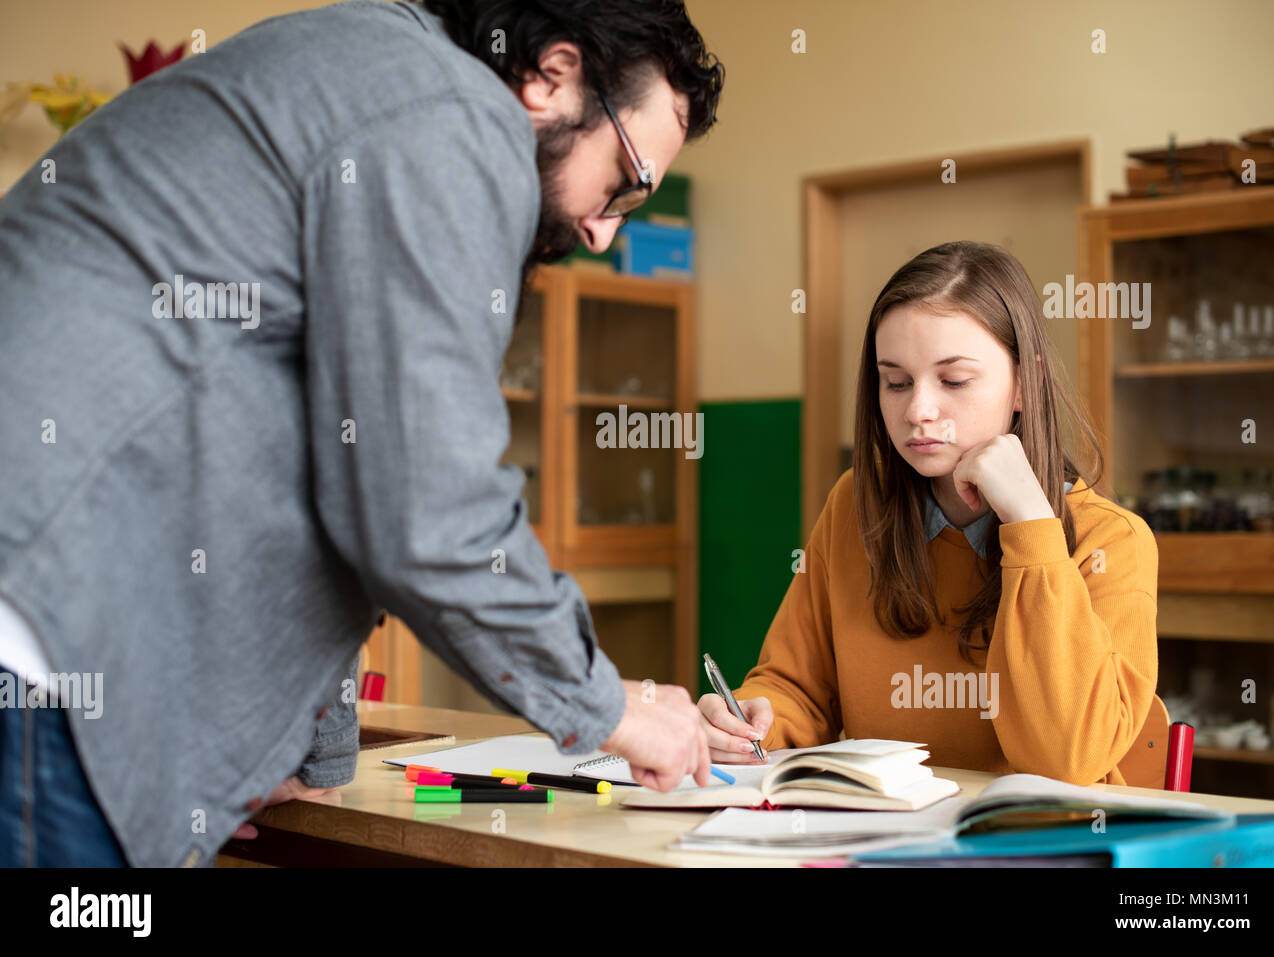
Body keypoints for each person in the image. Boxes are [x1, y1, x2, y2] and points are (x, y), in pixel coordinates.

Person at [0, 0, 723, 867]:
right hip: (48, 637)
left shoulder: (373, 70)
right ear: (552, 76)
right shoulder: (450, 115)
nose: (606, 231)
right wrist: (612, 707)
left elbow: (342, 466)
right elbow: (428, 514)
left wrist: (286, 750)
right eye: (624, 180)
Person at [699, 241, 1159, 786]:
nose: (918, 410)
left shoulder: (1113, 539)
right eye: (895, 382)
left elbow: (1068, 759)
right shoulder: (853, 505)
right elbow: (798, 688)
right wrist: (754, 717)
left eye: (954, 380)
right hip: (886, 840)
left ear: (1024, 385)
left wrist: (1031, 527)